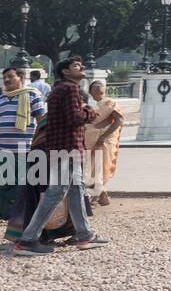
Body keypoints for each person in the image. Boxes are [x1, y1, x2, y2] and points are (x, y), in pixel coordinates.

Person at [12, 57, 108, 255]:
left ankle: (84, 235)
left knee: (76, 189)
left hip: (62, 147)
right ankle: (28, 240)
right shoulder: (70, 88)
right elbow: (75, 118)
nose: (81, 67)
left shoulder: (58, 89)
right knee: (57, 192)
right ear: (65, 71)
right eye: (76, 65)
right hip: (68, 148)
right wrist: (90, 113)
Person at [1, 65, 46, 219]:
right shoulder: (2, 99)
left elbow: (41, 121)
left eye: (10, 76)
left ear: (21, 78)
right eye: (4, 77)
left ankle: (17, 216)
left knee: (20, 186)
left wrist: (39, 144)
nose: (6, 80)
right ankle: (5, 215)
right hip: (3, 150)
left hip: (24, 149)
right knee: (4, 184)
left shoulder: (32, 95)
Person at [83, 81, 125, 206]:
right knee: (93, 168)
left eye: (99, 85)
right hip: (92, 141)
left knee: (99, 168)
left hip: (104, 141)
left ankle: (96, 197)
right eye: (95, 86)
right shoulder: (92, 106)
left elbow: (119, 120)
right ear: (90, 92)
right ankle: (102, 195)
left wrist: (103, 137)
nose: (98, 87)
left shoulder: (110, 103)